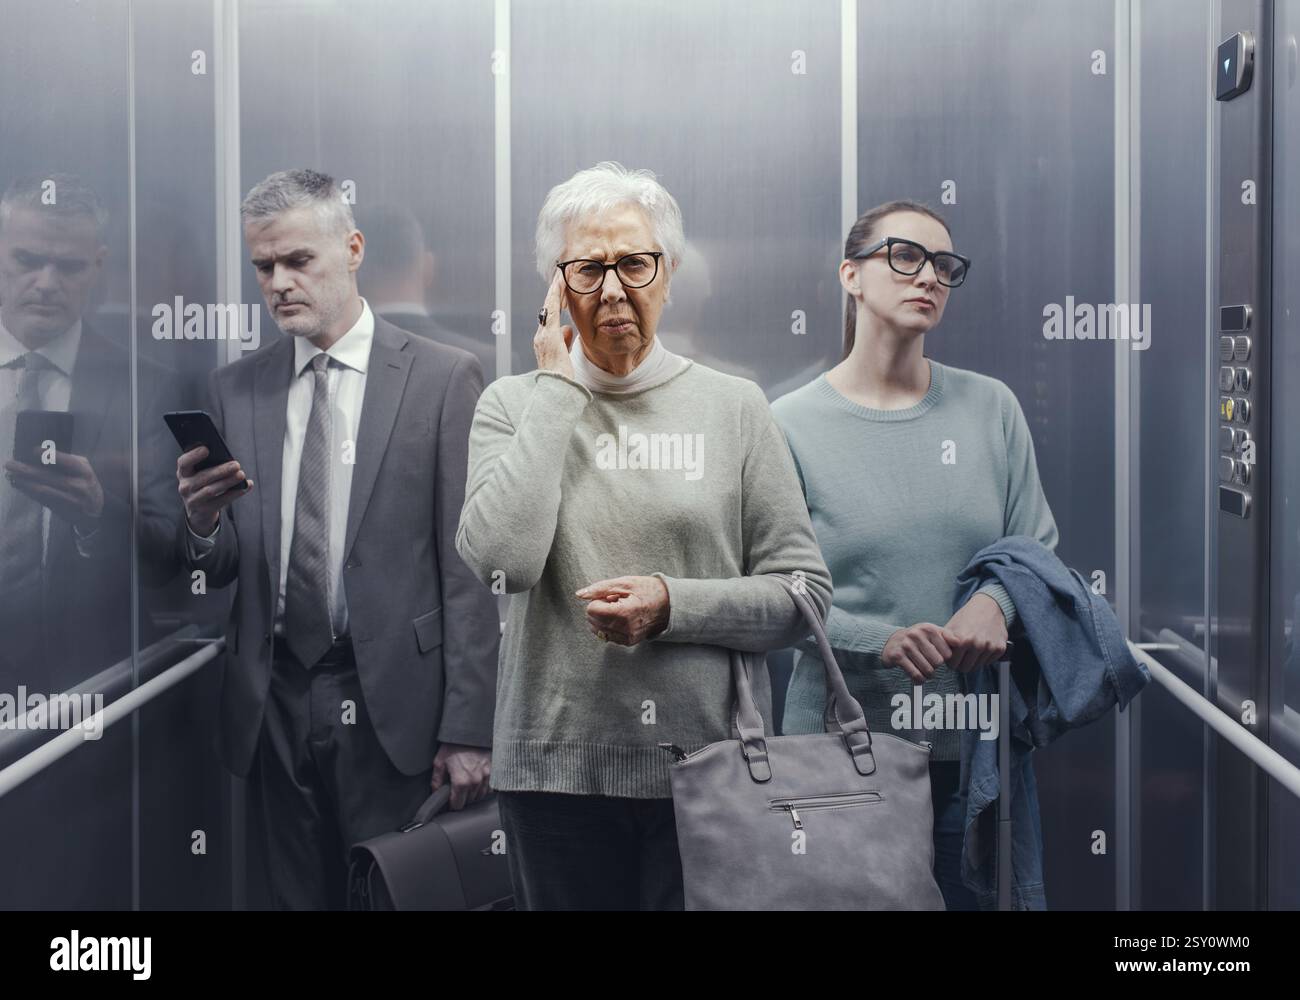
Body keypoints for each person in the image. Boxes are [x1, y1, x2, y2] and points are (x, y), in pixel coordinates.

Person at [456, 161, 832, 911]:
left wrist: (671, 604)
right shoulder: (513, 405)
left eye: (634, 263)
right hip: (554, 779)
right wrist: (560, 390)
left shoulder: (734, 406)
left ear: (670, 271)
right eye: (588, 270)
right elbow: (505, 562)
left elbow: (804, 598)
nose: (615, 289)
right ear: (555, 287)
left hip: (708, 773)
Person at [175, 169, 499, 909]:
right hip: (275, 697)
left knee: (392, 897)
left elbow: (468, 570)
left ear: (352, 249)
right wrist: (199, 522)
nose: (279, 283)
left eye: (299, 262)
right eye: (264, 267)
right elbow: (228, 562)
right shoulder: (237, 389)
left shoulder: (442, 379)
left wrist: (469, 729)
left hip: (395, 702)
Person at [771, 199, 1059, 911]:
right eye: (905, 256)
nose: (928, 276)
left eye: (944, 266)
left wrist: (995, 602)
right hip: (839, 755)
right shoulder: (787, 423)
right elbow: (772, 592)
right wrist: (885, 641)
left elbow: (1036, 547)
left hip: (973, 754)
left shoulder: (991, 408)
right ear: (851, 275)